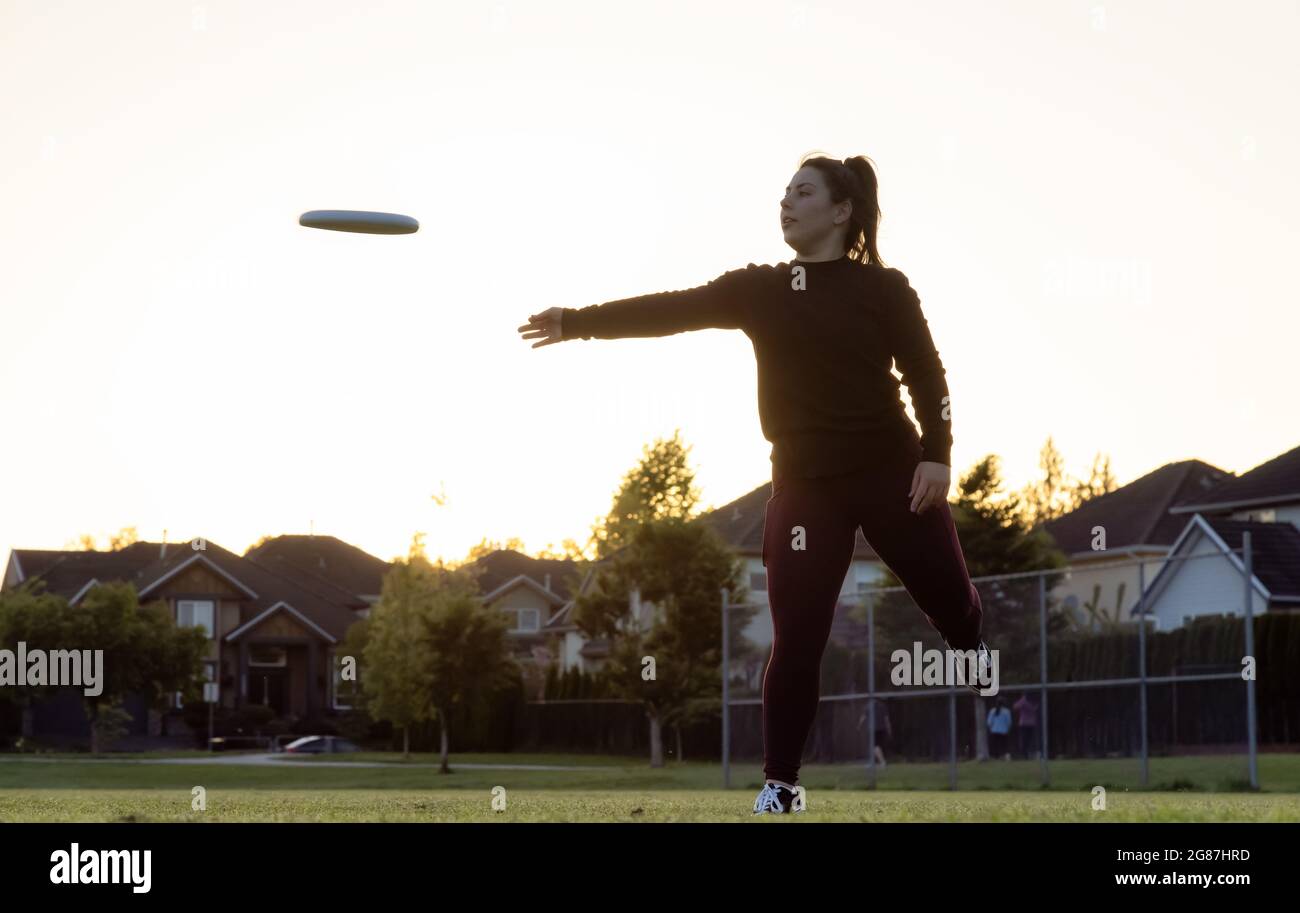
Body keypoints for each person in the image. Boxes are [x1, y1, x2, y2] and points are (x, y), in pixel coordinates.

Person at [519, 153, 987, 816]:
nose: (786, 203)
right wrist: (577, 321)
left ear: (841, 210)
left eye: (802, 192)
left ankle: (971, 632)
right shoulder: (760, 289)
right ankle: (782, 785)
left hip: (891, 472)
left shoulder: (885, 291)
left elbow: (929, 378)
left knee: (953, 609)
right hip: (805, 487)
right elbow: (672, 309)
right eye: (783, 194)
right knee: (797, 635)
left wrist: (938, 457)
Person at [857, 697, 892, 767]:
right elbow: (886, 719)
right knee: (874, 746)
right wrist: (889, 729)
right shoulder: (882, 706)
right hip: (881, 729)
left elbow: (863, 717)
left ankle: (883, 762)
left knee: (875, 746)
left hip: (873, 728)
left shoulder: (868, 706)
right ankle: (872, 762)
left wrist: (859, 726)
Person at [1013, 692, 1040, 759]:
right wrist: (1023, 701)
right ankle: (1024, 754)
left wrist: (1023, 701)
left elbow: (1034, 708)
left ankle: (1029, 753)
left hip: (1030, 723)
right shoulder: (1024, 701)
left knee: (1029, 740)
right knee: (1024, 740)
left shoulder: (1030, 702)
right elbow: (1015, 707)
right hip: (1024, 723)